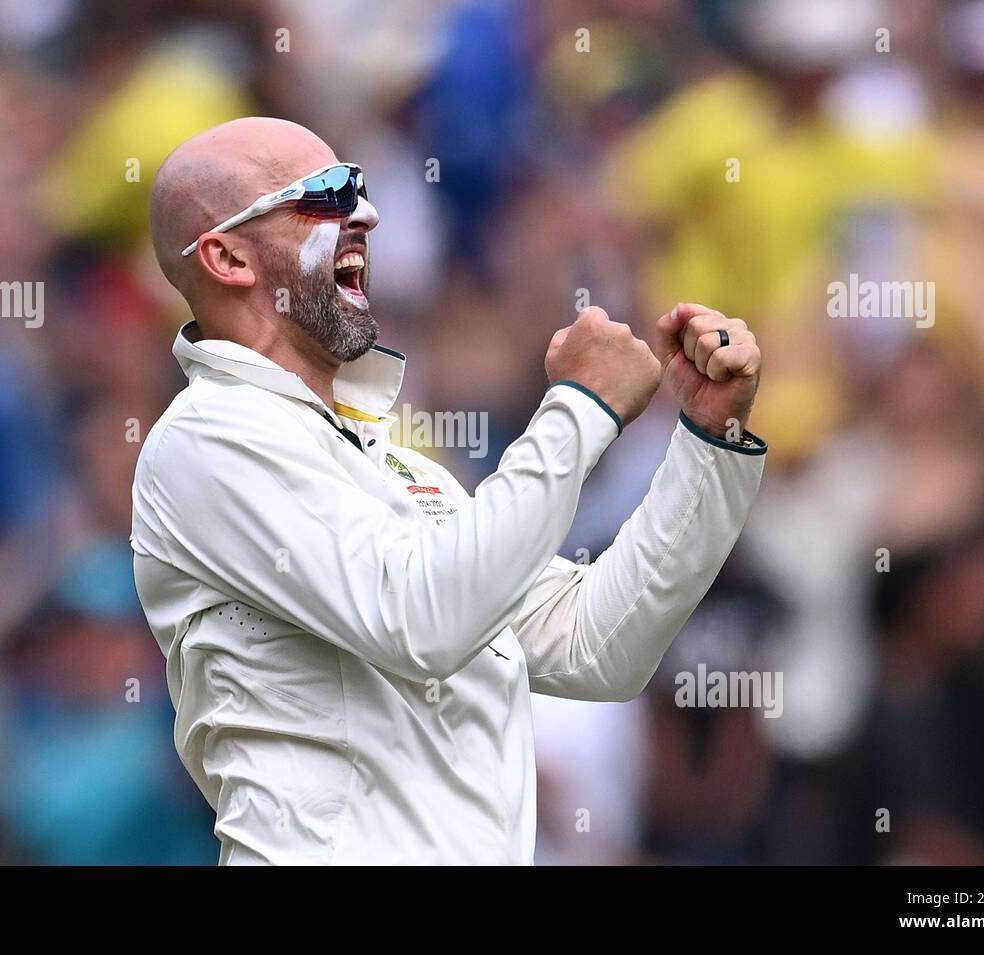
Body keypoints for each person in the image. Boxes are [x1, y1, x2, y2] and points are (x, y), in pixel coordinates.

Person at [131, 116, 768, 864]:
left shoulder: (404, 468)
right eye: (326, 194)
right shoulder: (207, 436)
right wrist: (579, 408)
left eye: (360, 187)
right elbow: (424, 620)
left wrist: (708, 442)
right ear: (228, 256)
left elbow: (597, 646)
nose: (366, 214)